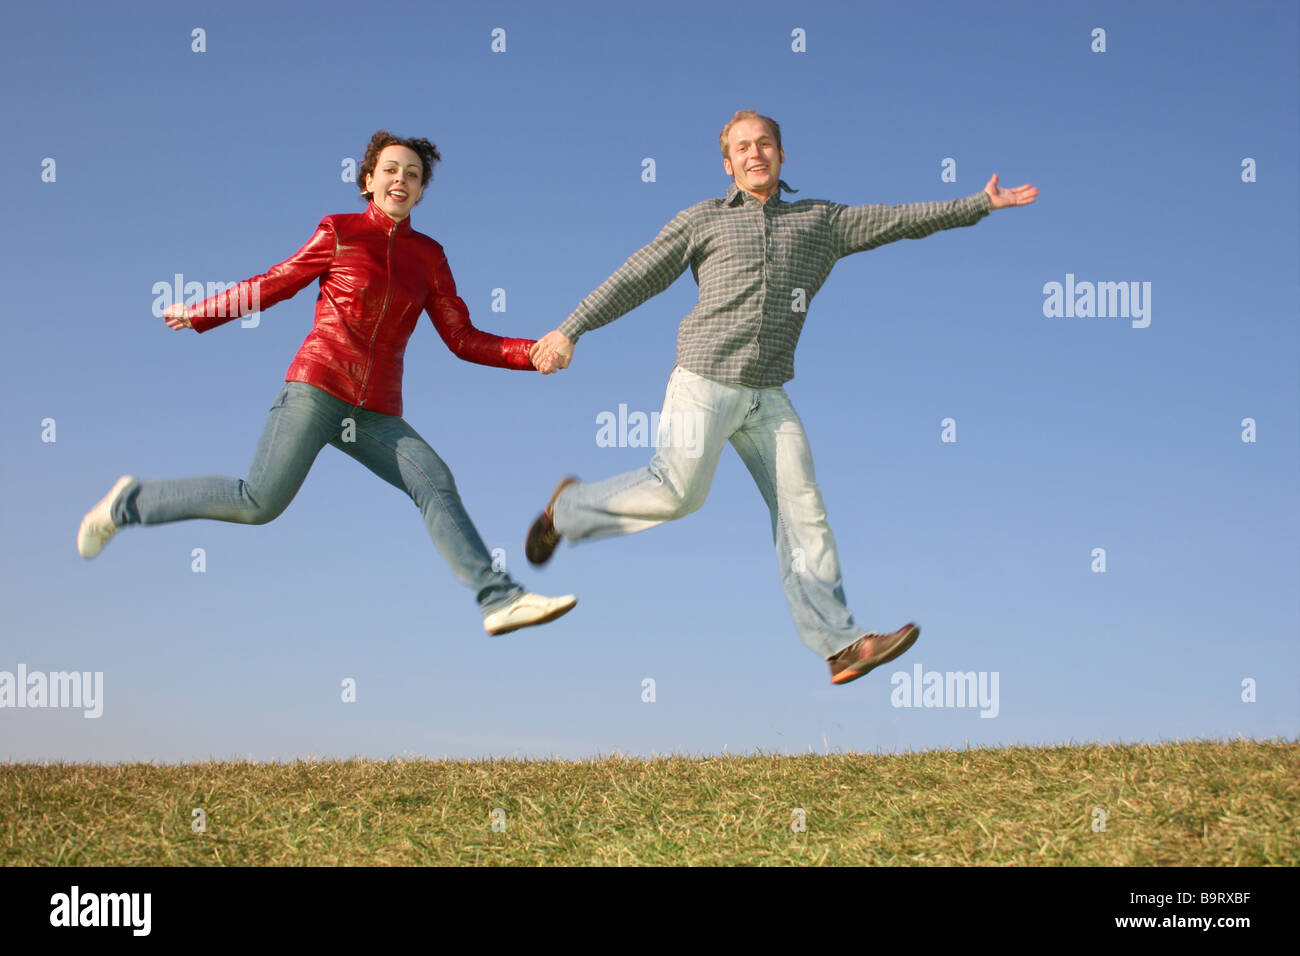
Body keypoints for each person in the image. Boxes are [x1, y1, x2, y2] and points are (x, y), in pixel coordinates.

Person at [525, 110, 1036, 684]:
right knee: (678, 493)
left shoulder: (822, 221)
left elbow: (898, 220)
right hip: (703, 378)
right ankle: (566, 511)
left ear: (781, 154)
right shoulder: (703, 220)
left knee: (803, 510)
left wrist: (978, 204)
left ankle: (842, 645)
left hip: (768, 393)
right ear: (728, 163)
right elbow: (636, 275)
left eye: (764, 143)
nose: (754, 153)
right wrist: (570, 329)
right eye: (741, 147)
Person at [77, 131, 576, 637]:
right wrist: (203, 311)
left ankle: (500, 599)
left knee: (433, 478)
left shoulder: (429, 258)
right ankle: (128, 504)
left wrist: (530, 353)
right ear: (368, 181)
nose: (400, 179)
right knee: (258, 503)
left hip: (376, 412)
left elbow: (462, 338)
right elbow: (274, 283)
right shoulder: (340, 231)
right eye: (390, 169)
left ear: (422, 192)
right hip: (316, 388)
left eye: (413, 174)